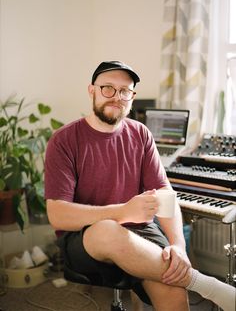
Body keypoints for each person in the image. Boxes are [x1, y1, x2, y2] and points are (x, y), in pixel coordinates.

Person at [45, 60, 236, 311]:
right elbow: (58, 215)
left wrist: (178, 246)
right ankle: (204, 284)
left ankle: (187, 278)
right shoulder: (64, 140)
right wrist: (122, 212)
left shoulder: (140, 134)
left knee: (173, 287)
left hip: (140, 231)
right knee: (107, 230)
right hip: (85, 238)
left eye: (125, 91)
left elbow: (166, 194)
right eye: (108, 88)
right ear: (91, 90)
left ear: (132, 97)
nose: (117, 97)